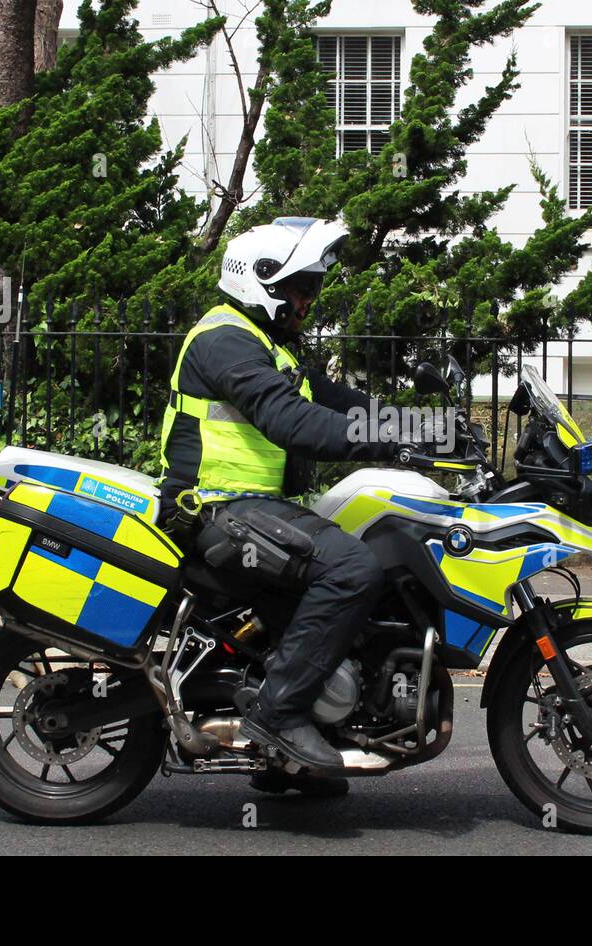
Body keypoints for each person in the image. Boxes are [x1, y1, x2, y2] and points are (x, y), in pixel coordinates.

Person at [158, 217, 398, 783]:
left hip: (247, 510)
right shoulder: (224, 341)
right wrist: (387, 440)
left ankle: (289, 760)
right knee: (352, 568)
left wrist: (427, 426)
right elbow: (288, 418)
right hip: (213, 509)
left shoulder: (268, 348)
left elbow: (337, 400)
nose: (307, 301)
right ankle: (279, 714)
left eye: (311, 288)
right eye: (300, 288)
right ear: (260, 282)